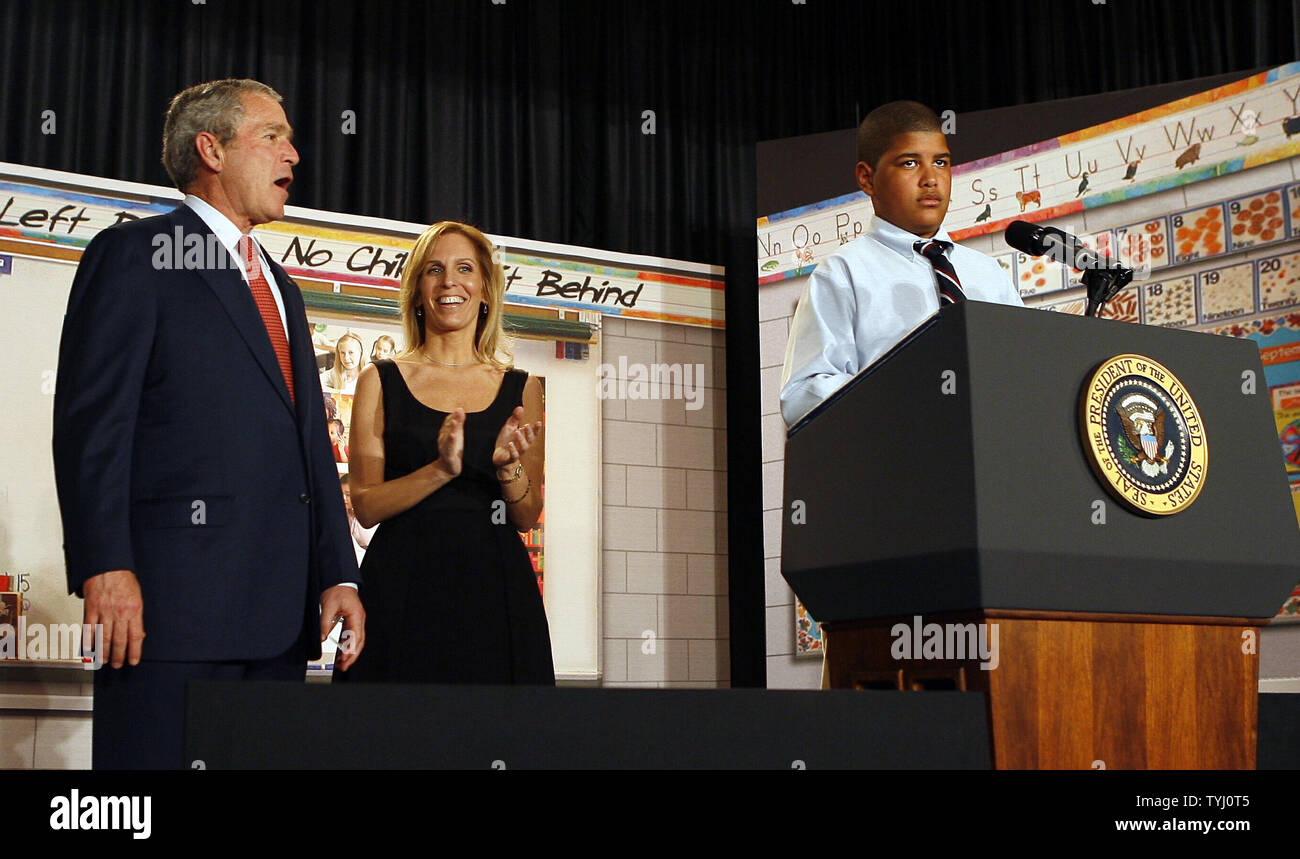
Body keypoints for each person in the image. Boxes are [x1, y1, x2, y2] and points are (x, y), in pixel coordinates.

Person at [51, 79, 365, 769]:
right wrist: (105, 563)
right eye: (272, 135)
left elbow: (311, 444)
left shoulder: (282, 286)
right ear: (210, 148)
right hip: (170, 617)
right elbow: (91, 424)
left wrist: (338, 573)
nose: (294, 152)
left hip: (280, 629)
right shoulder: (136, 255)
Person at [335, 221, 554, 684]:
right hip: (401, 587)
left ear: (486, 290)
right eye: (434, 269)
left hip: (494, 591)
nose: (449, 281)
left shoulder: (521, 388)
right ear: (417, 292)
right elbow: (368, 506)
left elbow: (526, 516)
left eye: (464, 269)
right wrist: (441, 469)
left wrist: (509, 467)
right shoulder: (380, 380)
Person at [780, 100, 1024, 428]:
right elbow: (802, 395)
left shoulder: (988, 273)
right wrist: (907, 392)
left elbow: (1024, 366)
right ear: (867, 178)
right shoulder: (843, 273)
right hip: (899, 456)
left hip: (993, 452)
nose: (930, 179)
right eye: (909, 163)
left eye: (941, 162)